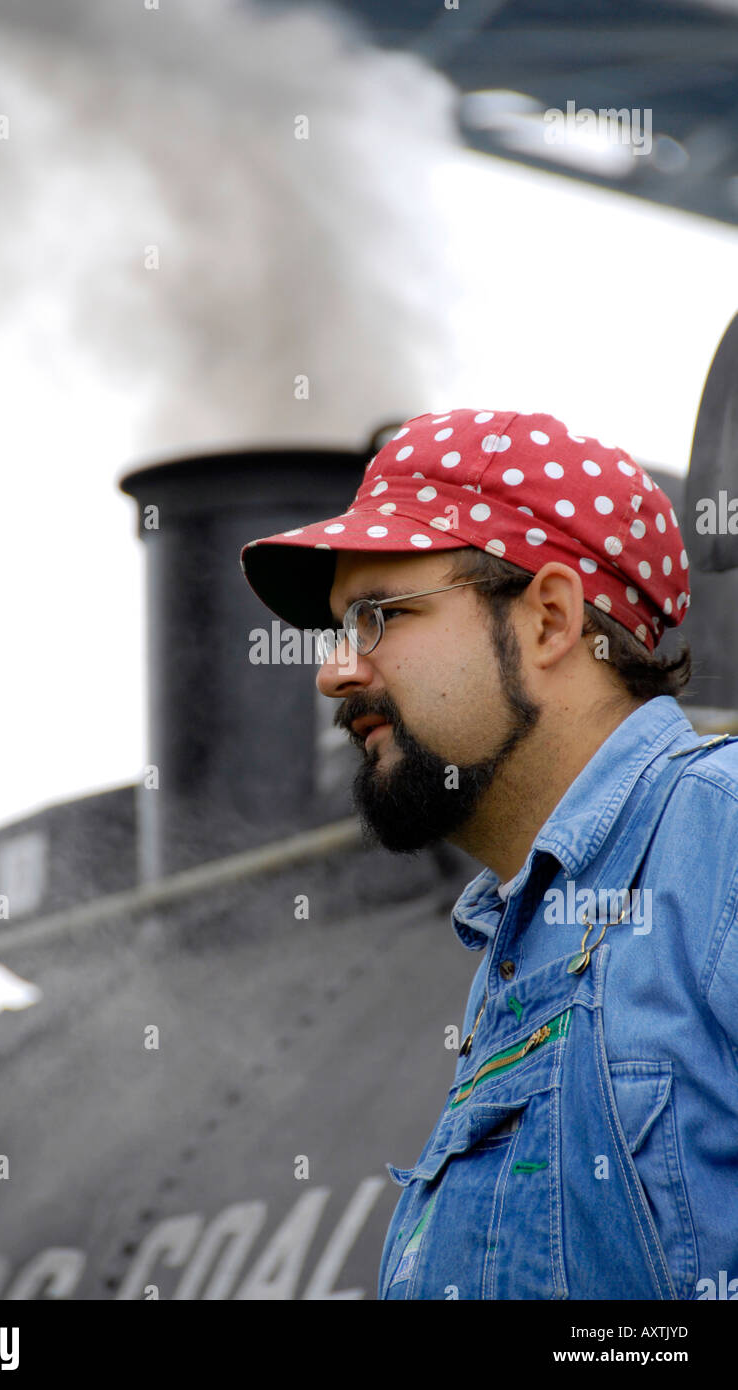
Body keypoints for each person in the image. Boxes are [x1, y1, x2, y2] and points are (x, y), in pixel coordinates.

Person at [239, 407, 738, 1301]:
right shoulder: (517, 940)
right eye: (337, 629)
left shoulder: (723, 836)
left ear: (549, 620)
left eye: (377, 615)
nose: (333, 671)